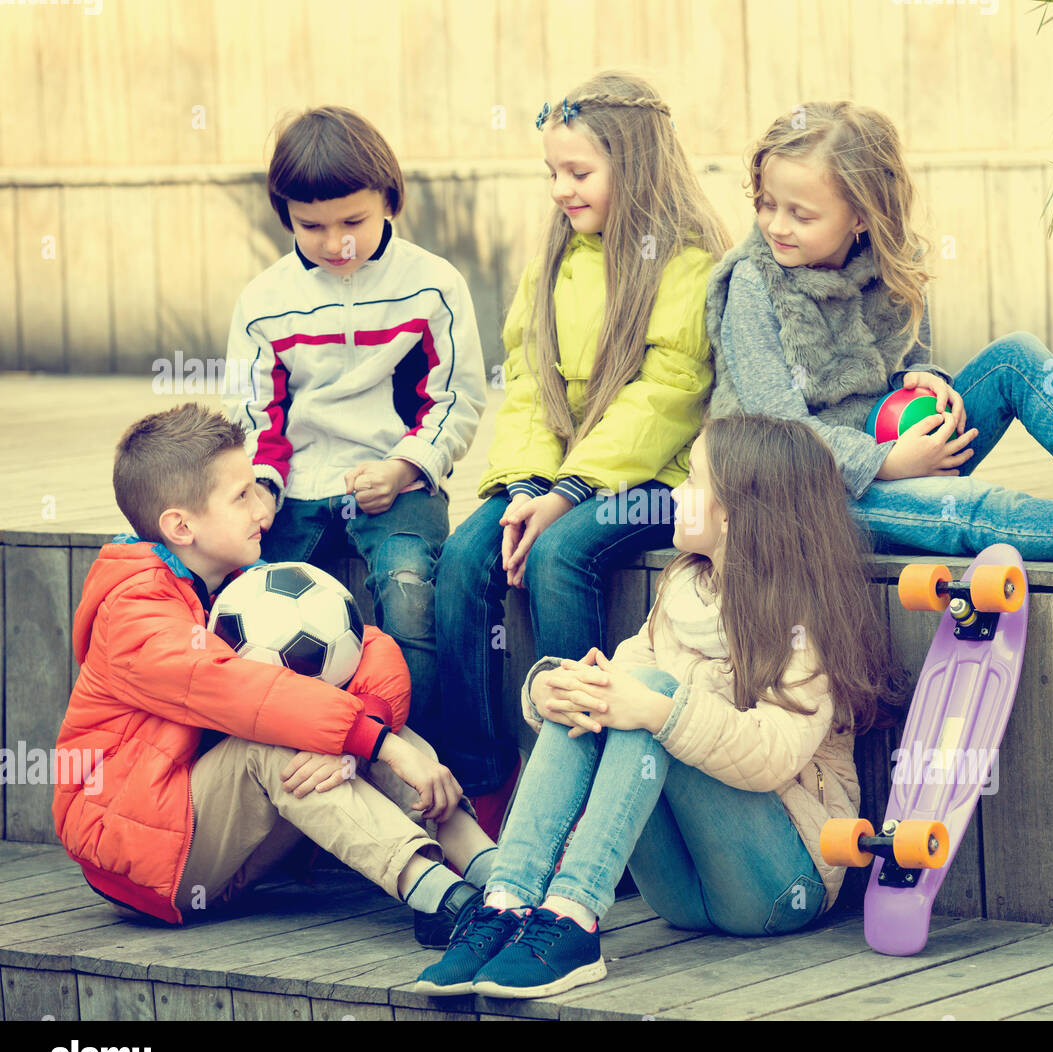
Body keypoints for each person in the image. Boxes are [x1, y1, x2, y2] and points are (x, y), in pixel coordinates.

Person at [413, 415, 907, 999]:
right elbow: (615, 680)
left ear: (736, 513)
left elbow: (773, 753)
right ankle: (507, 901)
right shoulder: (682, 589)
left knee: (652, 699)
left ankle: (573, 914)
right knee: (606, 696)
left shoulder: (805, 619)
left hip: (779, 882)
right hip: (680, 892)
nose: (675, 493)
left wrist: (659, 711)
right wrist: (545, 690)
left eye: (692, 480)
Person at [706, 101, 1053, 564]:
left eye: (800, 215)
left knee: (1014, 359)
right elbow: (778, 430)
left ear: (862, 216)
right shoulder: (754, 285)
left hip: (900, 451)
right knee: (967, 505)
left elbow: (901, 367)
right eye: (766, 204)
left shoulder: (890, 267)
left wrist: (922, 380)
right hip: (799, 499)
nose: (777, 225)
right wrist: (891, 464)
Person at [52, 404, 497, 946]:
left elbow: (367, 646)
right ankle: (443, 900)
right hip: (145, 855)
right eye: (241, 495)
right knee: (279, 746)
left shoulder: (247, 583)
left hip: (227, 840)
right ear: (181, 526)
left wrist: (372, 730)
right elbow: (240, 692)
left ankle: (493, 874)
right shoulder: (134, 615)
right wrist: (373, 743)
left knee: (367, 730)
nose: (262, 507)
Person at [433, 72, 731, 840]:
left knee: (562, 553)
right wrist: (530, 480)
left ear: (635, 166)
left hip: (654, 478)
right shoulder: (556, 260)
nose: (562, 190)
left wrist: (568, 491)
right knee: (468, 555)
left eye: (579, 173)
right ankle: (482, 778)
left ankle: (576, 783)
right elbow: (529, 384)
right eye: (552, 173)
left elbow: (665, 397)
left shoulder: (688, 261)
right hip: (560, 476)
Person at [223, 105, 486, 760]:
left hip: (399, 482)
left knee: (407, 595)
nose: (335, 240)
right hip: (295, 487)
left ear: (389, 201)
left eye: (353, 221)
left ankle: (421, 756)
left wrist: (406, 466)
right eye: (311, 225)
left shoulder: (433, 286)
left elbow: (457, 397)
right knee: (252, 604)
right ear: (283, 213)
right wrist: (259, 484)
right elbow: (258, 410)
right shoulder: (264, 301)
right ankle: (285, 760)